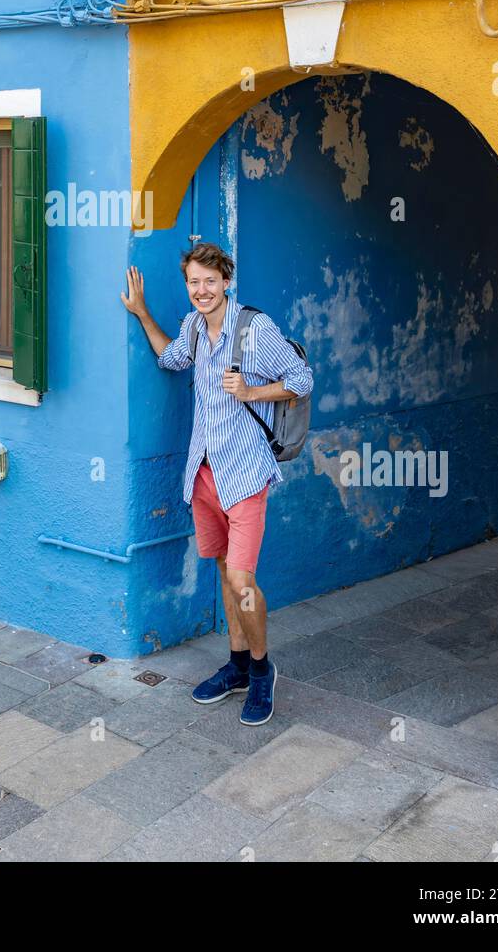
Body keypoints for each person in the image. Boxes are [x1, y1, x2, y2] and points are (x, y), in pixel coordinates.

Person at [121, 242, 313, 725]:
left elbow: (303, 378)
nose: (202, 291)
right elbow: (170, 359)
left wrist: (251, 390)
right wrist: (143, 313)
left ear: (226, 281)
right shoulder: (192, 328)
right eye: (194, 283)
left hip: (245, 474)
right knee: (224, 571)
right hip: (204, 473)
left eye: (210, 281)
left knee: (240, 578)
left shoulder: (254, 330)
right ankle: (238, 665)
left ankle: (264, 670)